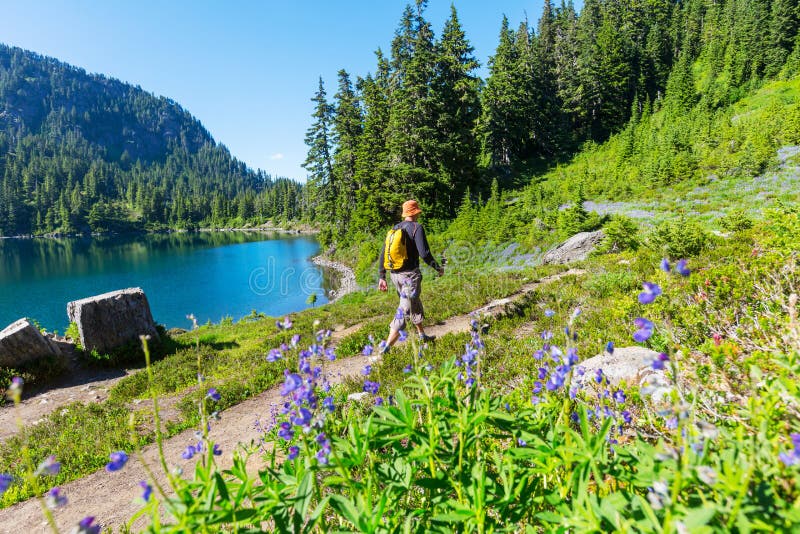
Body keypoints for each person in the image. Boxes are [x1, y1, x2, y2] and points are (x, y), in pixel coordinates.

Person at [377, 199, 444, 355]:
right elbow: (425, 254)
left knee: (414, 302)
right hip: (409, 276)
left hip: (395, 276)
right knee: (404, 309)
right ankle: (385, 350)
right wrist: (438, 268)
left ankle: (422, 335)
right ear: (415, 212)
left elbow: (383, 253)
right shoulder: (417, 228)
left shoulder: (395, 228)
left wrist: (382, 276)